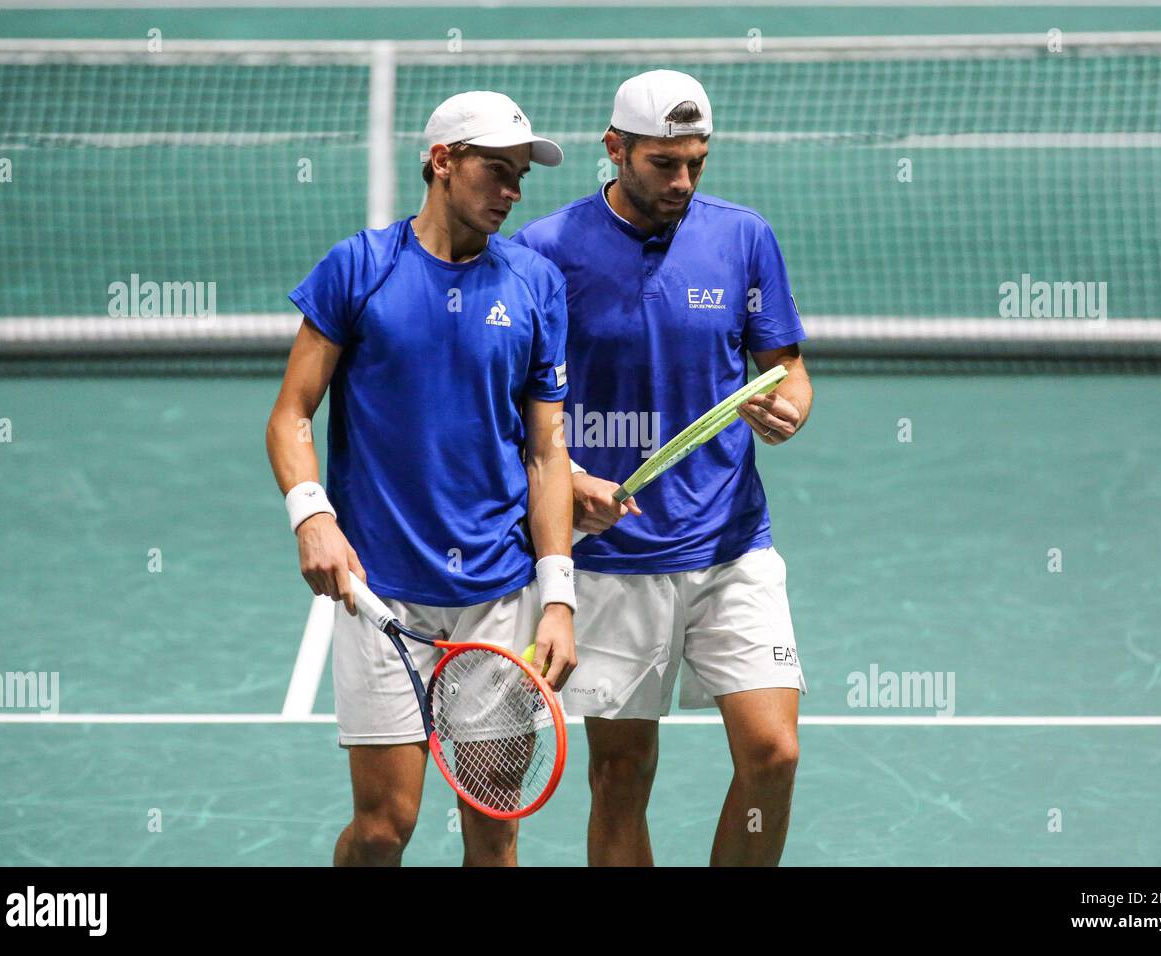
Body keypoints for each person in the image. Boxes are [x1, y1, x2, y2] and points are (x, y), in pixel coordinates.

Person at [266, 91, 577, 867]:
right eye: (497, 172)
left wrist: (560, 597)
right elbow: (291, 416)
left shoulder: (535, 283)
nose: (513, 192)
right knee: (382, 829)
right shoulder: (359, 269)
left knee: (493, 830)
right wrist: (312, 516)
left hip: (498, 599)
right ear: (442, 162)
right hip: (382, 594)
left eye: (520, 178)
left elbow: (546, 451)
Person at [513, 70, 813, 866]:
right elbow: (506, 402)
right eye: (662, 164)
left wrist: (791, 407)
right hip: (612, 556)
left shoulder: (742, 237)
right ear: (614, 150)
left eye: (696, 163)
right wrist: (567, 481)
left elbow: (783, 363)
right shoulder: (543, 253)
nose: (682, 181)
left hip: (731, 541)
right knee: (620, 775)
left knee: (773, 756)